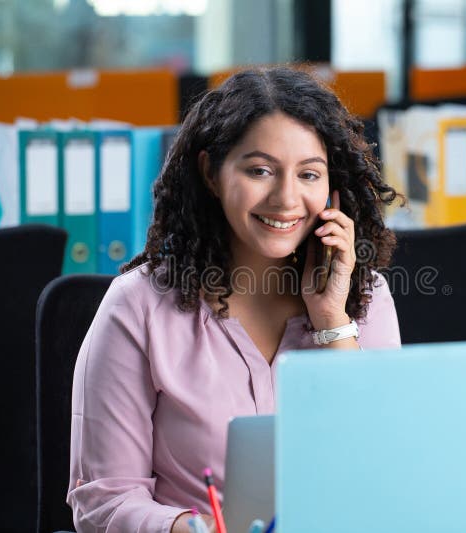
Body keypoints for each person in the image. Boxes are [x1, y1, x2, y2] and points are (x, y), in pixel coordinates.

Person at [68, 66, 403, 532]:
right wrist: (198, 529)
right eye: (260, 170)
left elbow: (384, 472)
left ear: (332, 190)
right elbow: (104, 503)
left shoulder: (365, 298)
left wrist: (332, 320)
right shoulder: (138, 307)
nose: (287, 198)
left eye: (309, 174)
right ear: (211, 172)